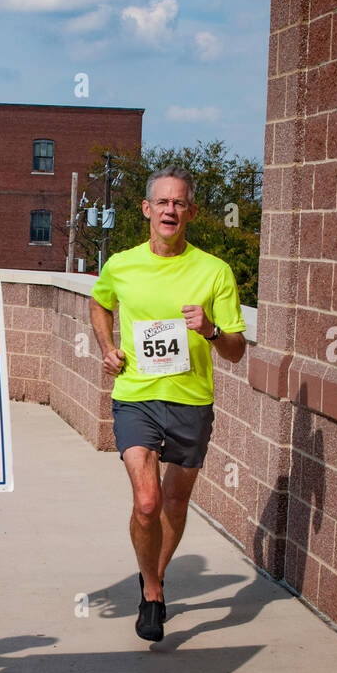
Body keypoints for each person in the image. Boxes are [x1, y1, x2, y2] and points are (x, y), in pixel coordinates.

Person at [89, 165, 246, 643]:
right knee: (147, 501)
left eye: (179, 203)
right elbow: (99, 303)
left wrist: (212, 331)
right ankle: (153, 592)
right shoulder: (121, 263)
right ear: (147, 210)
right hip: (136, 396)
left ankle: (151, 574)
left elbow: (238, 349)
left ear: (191, 212)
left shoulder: (214, 271)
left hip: (191, 401)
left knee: (175, 504)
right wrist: (106, 346)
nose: (170, 211)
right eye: (163, 202)